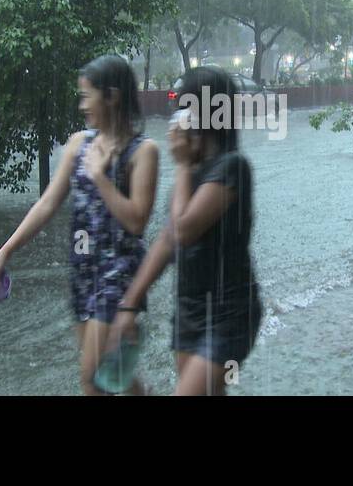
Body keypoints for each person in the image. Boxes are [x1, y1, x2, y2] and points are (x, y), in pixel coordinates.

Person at [0, 55, 159, 395]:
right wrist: (4, 253)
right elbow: (47, 204)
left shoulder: (143, 152)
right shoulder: (79, 144)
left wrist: (99, 178)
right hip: (83, 270)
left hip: (121, 273)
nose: (82, 106)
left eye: (87, 96)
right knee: (110, 373)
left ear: (112, 96)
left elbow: (137, 221)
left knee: (91, 378)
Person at [110, 67, 262, 396]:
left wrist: (180, 164)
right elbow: (166, 242)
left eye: (184, 104)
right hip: (189, 310)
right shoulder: (192, 174)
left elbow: (183, 232)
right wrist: (129, 304)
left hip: (229, 313)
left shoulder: (233, 167)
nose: (176, 114)